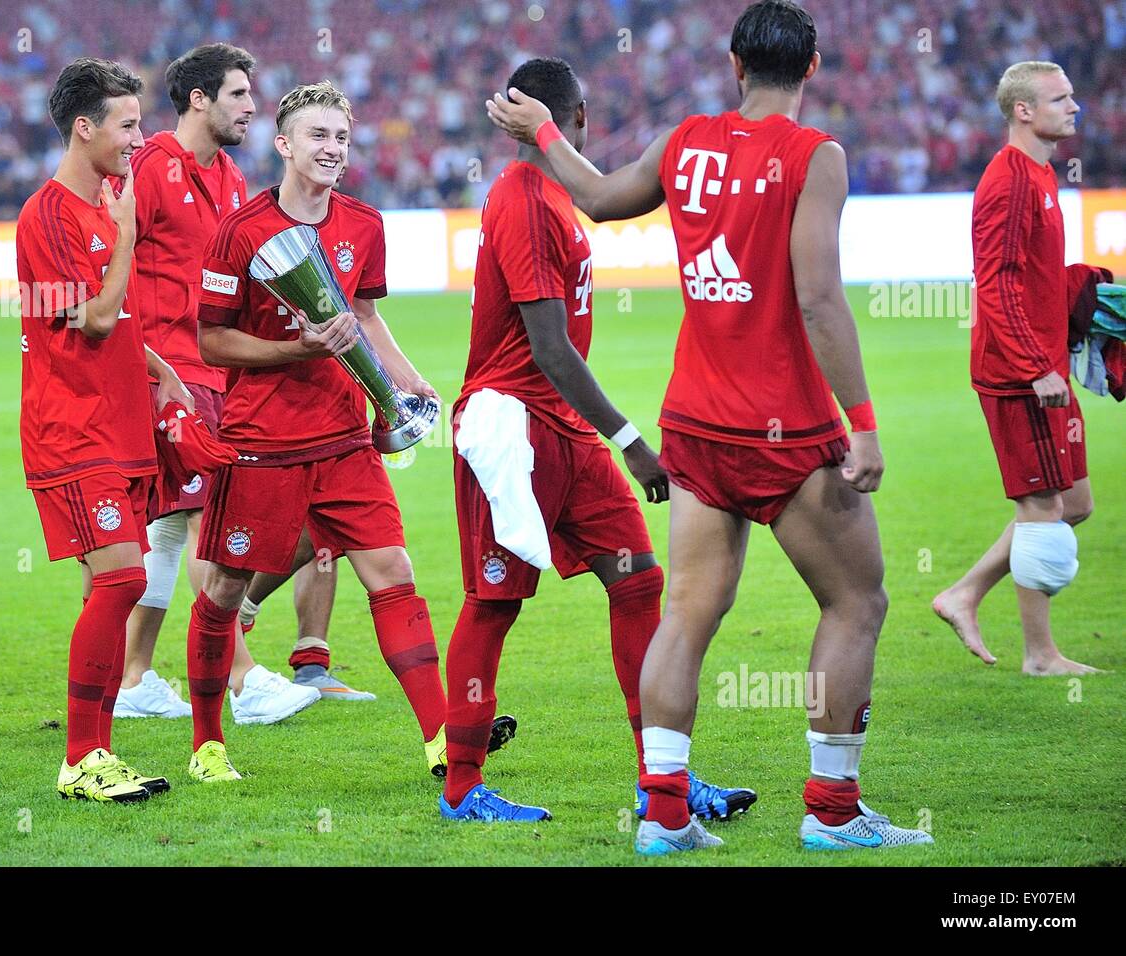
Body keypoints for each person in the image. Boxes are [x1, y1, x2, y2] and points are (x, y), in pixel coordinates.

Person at [487, 0, 932, 854]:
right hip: (787, 431)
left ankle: (662, 816)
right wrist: (864, 422)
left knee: (686, 612)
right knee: (856, 601)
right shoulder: (816, 156)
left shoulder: (685, 141)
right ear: (810, 68)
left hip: (693, 422)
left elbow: (599, 199)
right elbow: (817, 295)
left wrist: (545, 130)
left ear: (735, 65)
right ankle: (833, 812)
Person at [440, 57, 756, 825]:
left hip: (565, 430)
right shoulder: (523, 200)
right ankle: (462, 788)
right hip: (512, 431)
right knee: (494, 605)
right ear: (575, 117)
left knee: (638, 582)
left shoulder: (554, 193)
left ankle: (666, 781)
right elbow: (548, 347)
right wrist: (632, 440)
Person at [187, 80, 508, 782]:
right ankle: (207, 743)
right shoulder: (240, 231)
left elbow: (362, 314)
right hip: (260, 443)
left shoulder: (363, 224)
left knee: (393, 571)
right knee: (223, 591)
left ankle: (439, 739)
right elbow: (211, 343)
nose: (332, 149)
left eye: (341, 137)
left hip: (344, 436)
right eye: (318, 137)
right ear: (284, 144)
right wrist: (292, 351)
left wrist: (406, 376)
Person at [113, 42, 328, 727]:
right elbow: (111, 272)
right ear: (199, 99)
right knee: (213, 523)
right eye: (239, 94)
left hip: (218, 375)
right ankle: (243, 681)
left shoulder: (234, 178)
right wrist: (146, 370)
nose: (251, 107)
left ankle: (134, 678)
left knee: (171, 534)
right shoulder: (146, 170)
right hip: (169, 378)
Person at [16, 57, 193, 802]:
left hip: (117, 426)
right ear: (84, 127)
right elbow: (89, 319)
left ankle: (95, 755)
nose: (138, 138)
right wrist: (125, 239)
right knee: (122, 576)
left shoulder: (103, 203)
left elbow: (115, 319)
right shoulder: (47, 216)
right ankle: (81, 758)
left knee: (112, 581)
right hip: (72, 431)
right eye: (126, 125)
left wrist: (160, 369)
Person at [932, 61, 1101, 677]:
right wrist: (1035, 367)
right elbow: (995, 283)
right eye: (1061, 98)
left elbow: (1029, 278)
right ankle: (1040, 655)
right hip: (1018, 374)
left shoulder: (1042, 173)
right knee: (1044, 509)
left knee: (1072, 502)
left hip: (1043, 365)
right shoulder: (1007, 181)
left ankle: (965, 593)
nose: (1074, 106)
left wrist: (1087, 291)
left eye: (1072, 95)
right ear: (1023, 111)